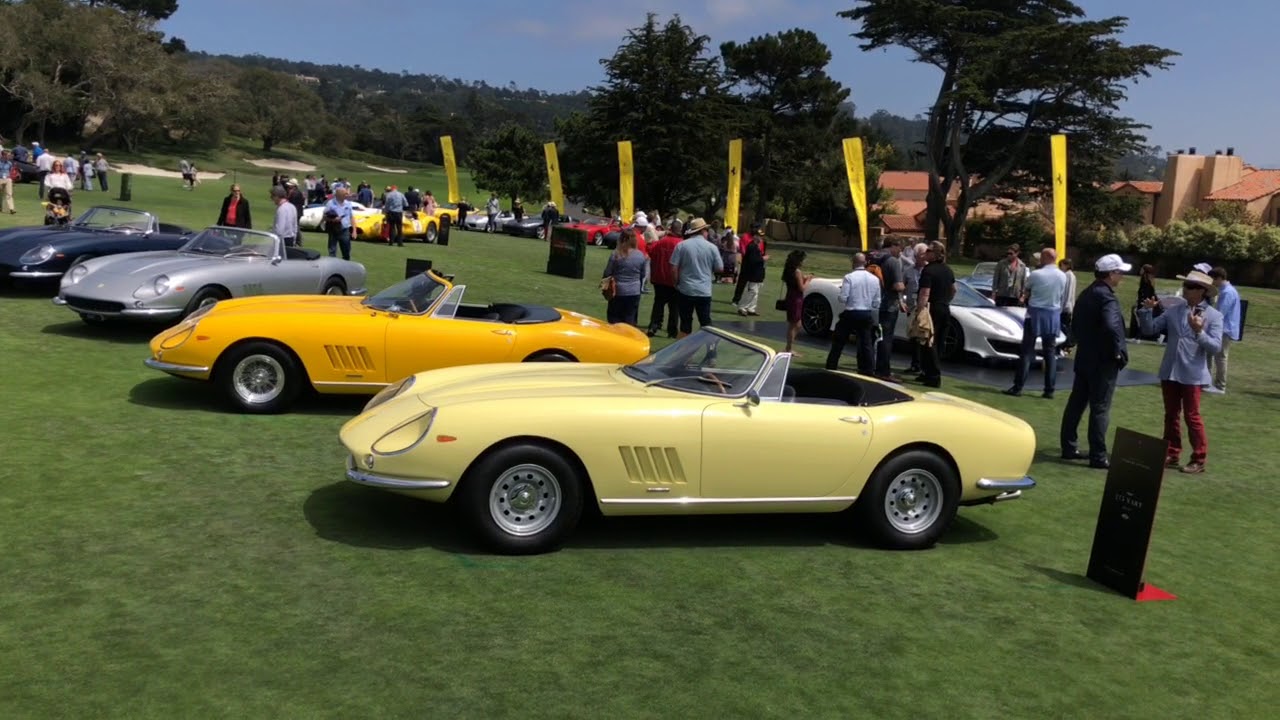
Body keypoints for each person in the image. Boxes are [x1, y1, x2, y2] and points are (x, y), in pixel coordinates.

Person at [1137, 269, 1223, 475]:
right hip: (1170, 371)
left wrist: (1199, 332)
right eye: (1186, 285)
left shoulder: (1214, 316)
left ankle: (1198, 458)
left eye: (1191, 286)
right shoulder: (1175, 310)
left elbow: (1215, 347)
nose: (1185, 289)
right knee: (1171, 415)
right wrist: (1146, 311)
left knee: (1192, 417)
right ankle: (1172, 452)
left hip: (1193, 374)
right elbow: (1150, 330)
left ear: (1202, 291)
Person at [1059, 254, 1131, 469]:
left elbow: (1077, 324)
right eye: (1119, 272)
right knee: (1100, 408)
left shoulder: (1087, 293)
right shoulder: (1106, 297)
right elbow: (1111, 325)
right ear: (1110, 274)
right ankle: (1098, 456)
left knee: (1077, 403)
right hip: (1103, 360)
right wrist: (1117, 351)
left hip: (1085, 357)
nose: (1121, 276)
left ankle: (1069, 447)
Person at [1006, 248, 1068, 398]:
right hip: (1052, 314)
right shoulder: (1062, 276)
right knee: (1050, 352)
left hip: (1035, 313)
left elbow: (1027, 291)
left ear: (1045, 258)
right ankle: (1049, 390)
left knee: (1027, 351)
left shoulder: (1036, 274)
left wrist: (1024, 297)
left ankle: (1018, 387)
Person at [826, 253, 882, 375]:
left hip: (851, 311)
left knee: (839, 341)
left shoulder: (849, 277)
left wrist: (842, 295)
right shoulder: (875, 279)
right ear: (865, 262)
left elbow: (843, 298)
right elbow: (877, 301)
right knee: (866, 342)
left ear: (853, 262)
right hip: (866, 312)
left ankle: (832, 364)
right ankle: (869, 369)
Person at [669, 217, 722, 337]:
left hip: (686, 289)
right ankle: (711, 350)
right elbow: (720, 268)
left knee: (685, 323)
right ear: (704, 231)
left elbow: (673, 268)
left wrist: (676, 283)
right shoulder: (712, 247)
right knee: (706, 323)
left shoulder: (681, 245)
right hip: (704, 290)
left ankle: (684, 351)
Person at [915, 241, 956, 388]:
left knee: (928, 341)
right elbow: (953, 289)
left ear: (934, 254)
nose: (925, 253)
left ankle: (933, 376)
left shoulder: (929, 270)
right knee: (938, 342)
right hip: (944, 307)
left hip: (932, 308)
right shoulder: (948, 270)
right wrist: (945, 300)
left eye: (928, 251)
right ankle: (927, 372)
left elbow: (925, 293)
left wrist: (920, 310)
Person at [873, 238, 906, 380]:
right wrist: (902, 287)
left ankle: (868, 367)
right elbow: (899, 286)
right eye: (900, 248)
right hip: (888, 305)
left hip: (871, 304)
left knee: (870, 337)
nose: (901, 252)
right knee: (886, 338)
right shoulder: (893, 261)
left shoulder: (872, 256)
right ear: (894, 245)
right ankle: (883, 371)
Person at [645, 219, 683, 338]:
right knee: (674, 307)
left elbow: (650, 250)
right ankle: (672, 331)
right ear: (680, 230)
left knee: (658, 304)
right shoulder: (682, 244)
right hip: (674, 280)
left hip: (659, 278)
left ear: (670, 229)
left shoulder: (662, 242)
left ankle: (654, 326)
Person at [602, 234, 649, 326]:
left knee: (614, 319)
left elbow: (607, 272)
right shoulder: (640, 255)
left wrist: (604, 287)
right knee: (629, 319)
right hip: (634, 291)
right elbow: (643, 274)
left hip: (618, 291)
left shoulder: (616, 254)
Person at [1207, 267, 1240, 393]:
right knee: (1213, 355)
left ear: (1219, 278)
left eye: (1213, 280)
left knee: (1220, 357)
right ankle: (1207, 381)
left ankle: (1220, 386)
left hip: (1224, 329)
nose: (1212, 283)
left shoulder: (1227, 292)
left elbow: (1220, 313)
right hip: (1224, 328)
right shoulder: (1226, 291)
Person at [781, 251, 812, 356]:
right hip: (796, 299)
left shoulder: (789, 270)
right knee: (795, 324)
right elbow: (802, 288)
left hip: (790, 296)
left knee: (796, 324)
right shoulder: (797, 271)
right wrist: (808, 280)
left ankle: (789, 347)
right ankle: (788, 348)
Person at [736, 229, 767, 316]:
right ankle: (742, 307)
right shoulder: (752, 246)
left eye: (762, 236)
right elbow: (753, 260)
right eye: (759, 236)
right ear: (754, 236)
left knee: (755, 292)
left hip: (757, 273)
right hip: (752, 273)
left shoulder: (756, 246)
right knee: (752, 291)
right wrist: (763, 258)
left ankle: (751, 308)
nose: (761, 238)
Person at [323, 187, 356, 260]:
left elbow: (352, 217)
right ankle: (333, 268)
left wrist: (354, 230)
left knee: (346, 251)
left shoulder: (348, 204)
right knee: (332, 251)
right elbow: (324, 217)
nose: (347, 195)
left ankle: (346, 268)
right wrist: (333, 219)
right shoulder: (330, 203)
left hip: (345, 230)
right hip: (333, 229)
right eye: (345, 194)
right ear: (339, 195)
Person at [1058, 258, 1077, 354]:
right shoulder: (1071, 275)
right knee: (1065, 325)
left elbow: (1067, 292)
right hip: (1068, 306)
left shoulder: (1068, 275)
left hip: (1065, 306)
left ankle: (1066, 344)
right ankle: (1066, 345)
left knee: (1064, 327)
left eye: (1061, 265)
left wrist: (1063, 306)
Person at [0, 150, 15, 215]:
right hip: (0, 179)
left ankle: (11, 209)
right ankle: (1, 207)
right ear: (3, 155)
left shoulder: (9, 163)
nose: (9, 157)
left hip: (8, 179)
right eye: (8, 155)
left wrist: (11, 179)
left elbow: (10, 171)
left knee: (9, 194)